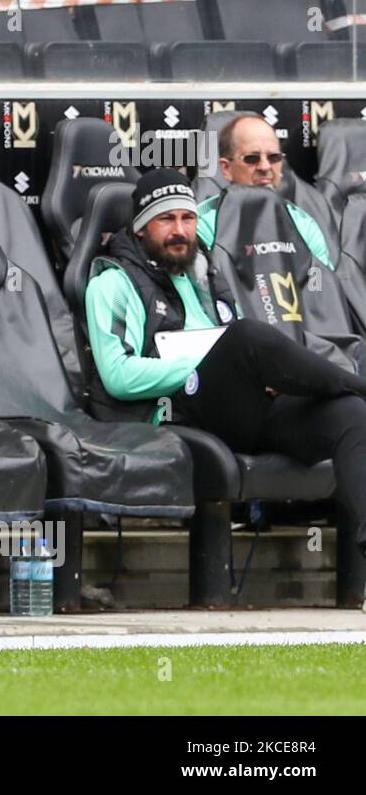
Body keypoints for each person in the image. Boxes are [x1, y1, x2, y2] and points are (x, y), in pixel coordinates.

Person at [83, 169, 366, 587]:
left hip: (239, 410)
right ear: (141, 228)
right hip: (173, 416)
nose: (180, 230)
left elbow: (238, 354)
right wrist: (209, 360)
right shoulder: (111, 283)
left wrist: (246, 370)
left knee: (350, 414)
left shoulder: (206, 272)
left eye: (187, 218)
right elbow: (118, 376)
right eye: (166, 220)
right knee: (247, 336)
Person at [196, 113, 333, 267]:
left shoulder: (303, 223)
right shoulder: (201, 225)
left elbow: (321, 284)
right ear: (226, 168)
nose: (265, 166)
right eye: (252, 158)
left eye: (274, 157)